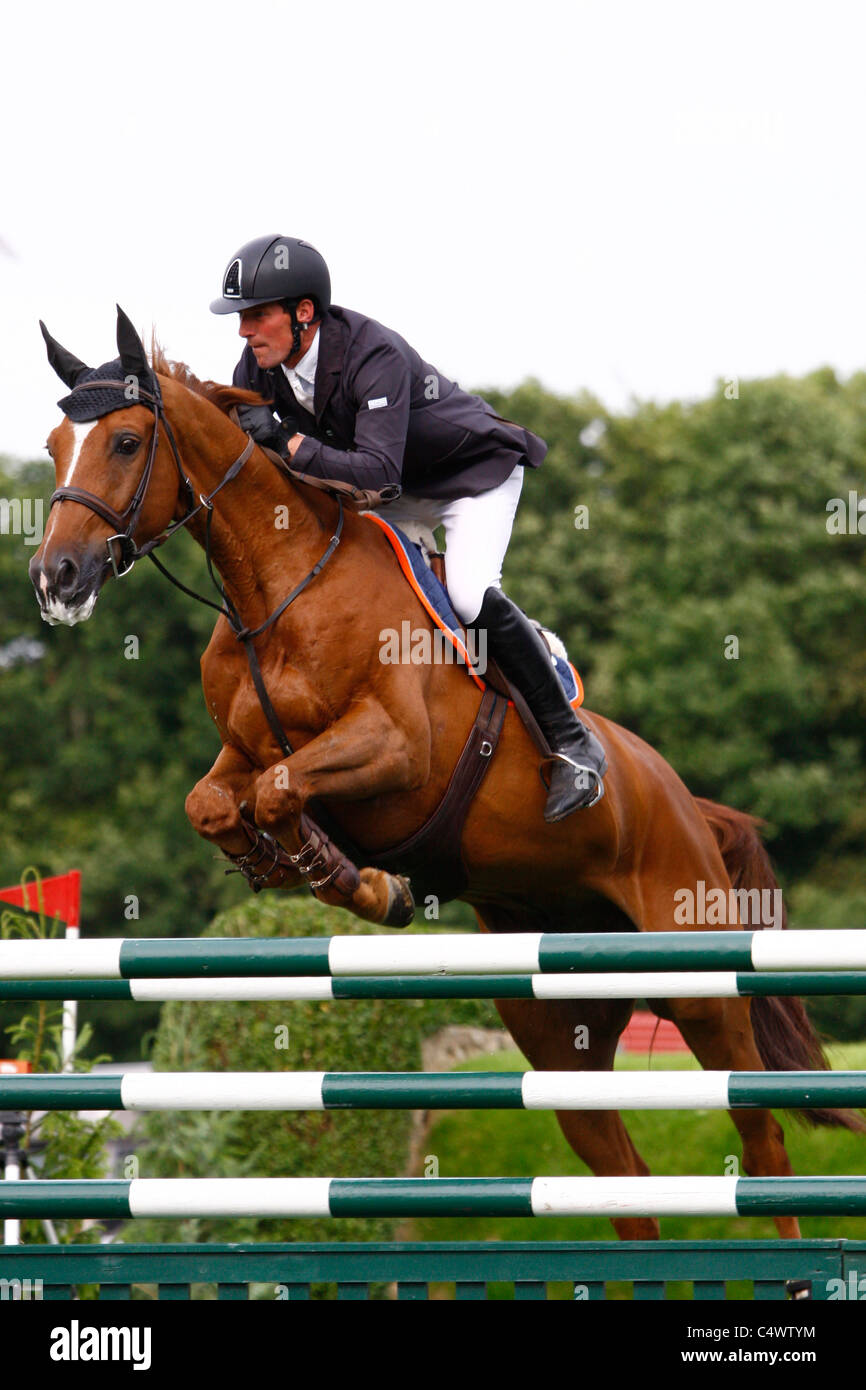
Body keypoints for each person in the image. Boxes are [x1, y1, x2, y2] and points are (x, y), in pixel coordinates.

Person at [210, 234, 606, 817]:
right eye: (242, 318)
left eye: (257, 315)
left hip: (469, 479)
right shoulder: (259, 366)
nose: (245, 331)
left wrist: (288, 441)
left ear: (303, 313)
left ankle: (573, 742)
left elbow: (376, 474)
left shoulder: (374, 355)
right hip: (389, 489)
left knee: (468, 597)